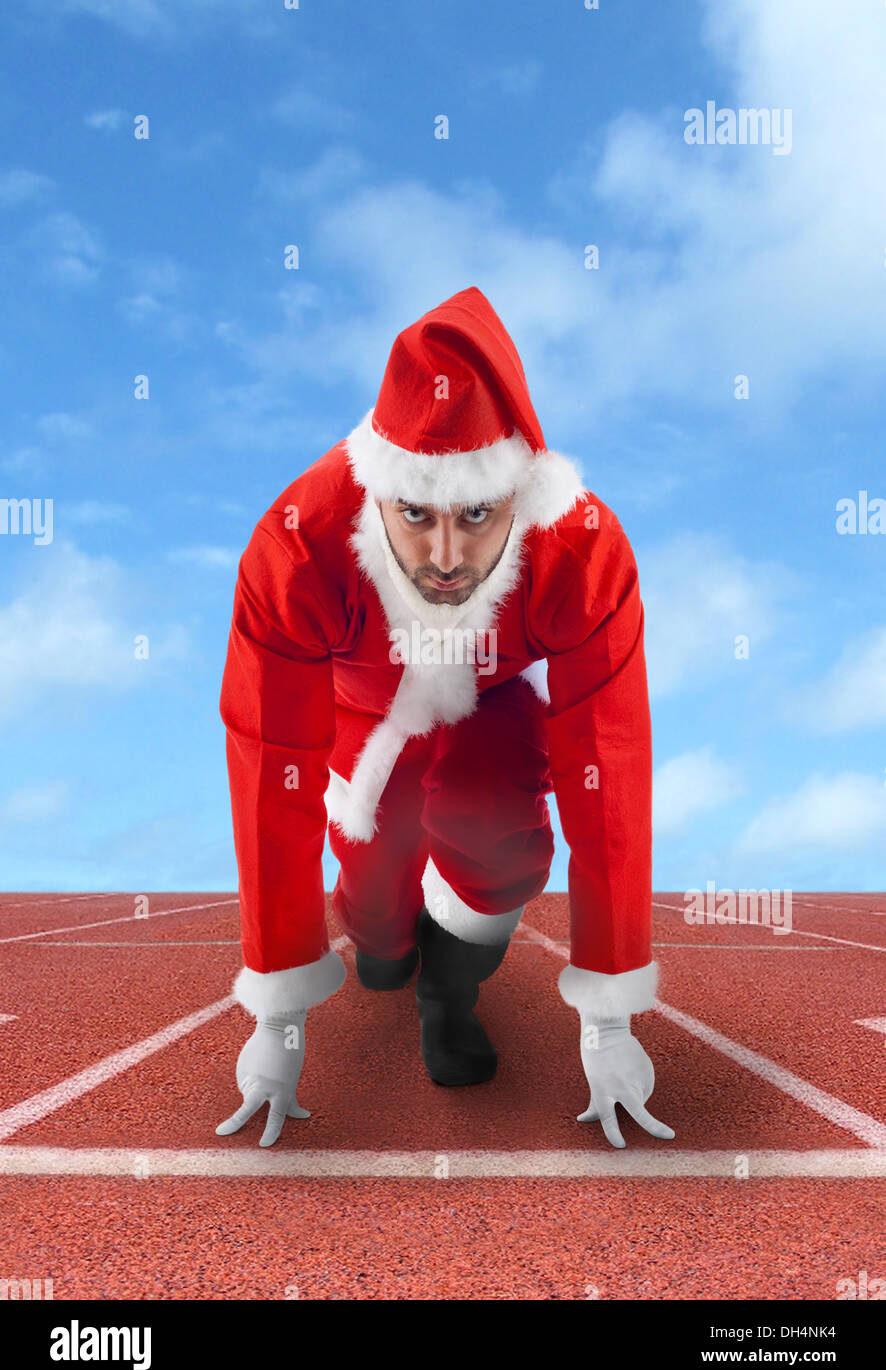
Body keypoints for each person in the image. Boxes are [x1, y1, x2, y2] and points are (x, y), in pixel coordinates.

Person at [216, 286, 675, 1151]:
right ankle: (387, 944)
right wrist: (277, 1023)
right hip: (359, 717)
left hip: (489, 707)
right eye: (416, 514)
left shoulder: (577, 549)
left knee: (495, 823)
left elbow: (608, 759)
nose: (446, 559)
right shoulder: (296, 547)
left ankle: (450, 995)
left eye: (477, 514)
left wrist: (609, 1022)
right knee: (378, 908)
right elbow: (267, 758)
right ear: (375, 493)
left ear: (521, 495)